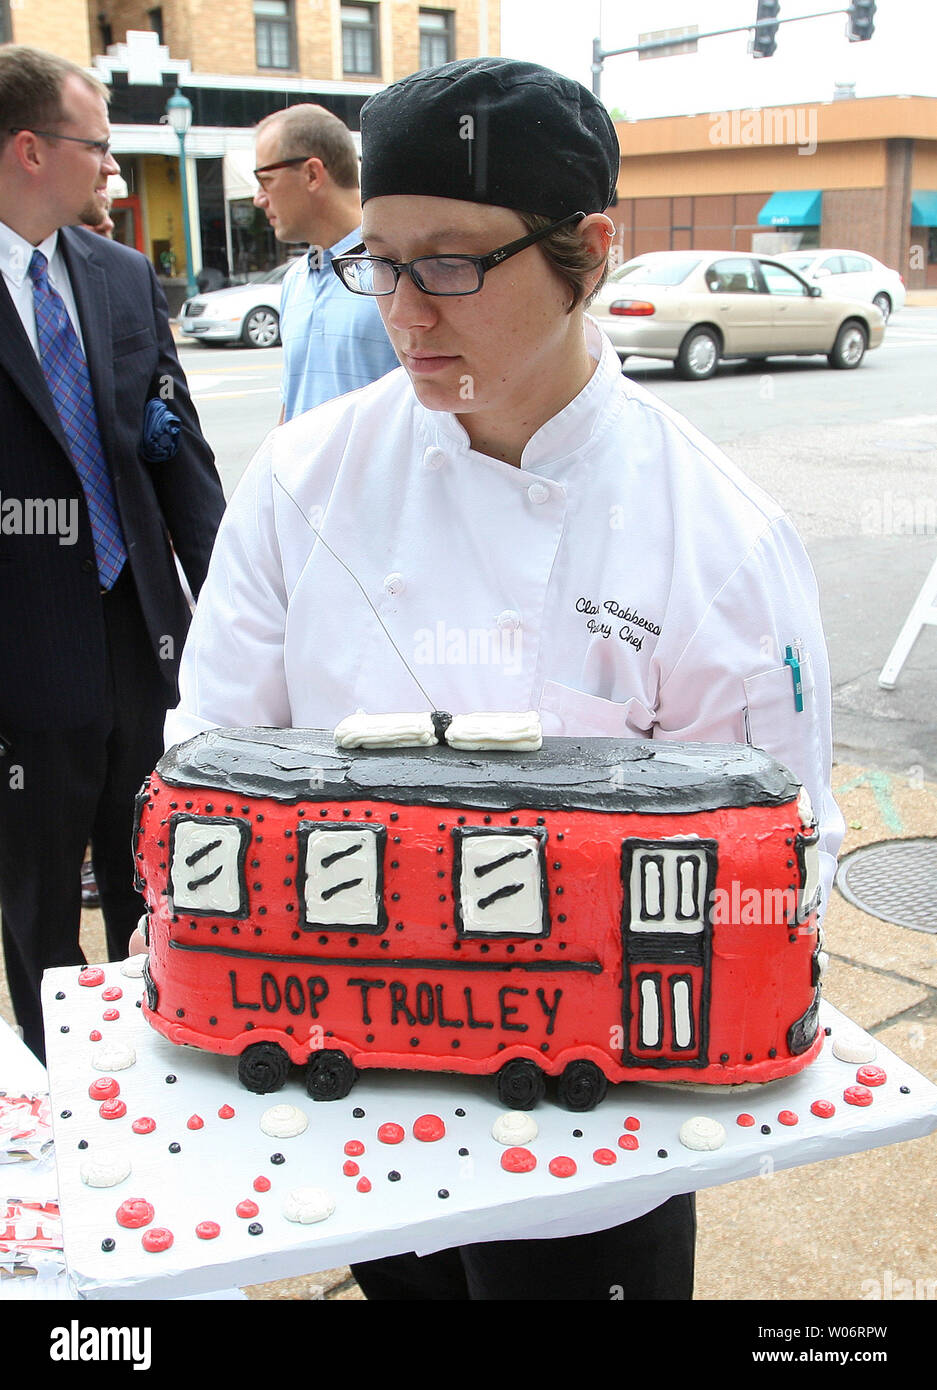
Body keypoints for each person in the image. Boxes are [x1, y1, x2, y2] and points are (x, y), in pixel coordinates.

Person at [164, 57, 844, 1300]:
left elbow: (778, 857)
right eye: (377, 259)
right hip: (355, 1093)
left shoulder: (718, 543)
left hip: (600, 1144)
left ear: (586, 251)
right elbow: (212, 756)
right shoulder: (303, 481)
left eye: (453, 264)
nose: (405, 312)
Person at [0, 46, 225, 1062]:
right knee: (40, 904)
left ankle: (152, 1070)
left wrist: (226, 612)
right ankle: (60, 1096)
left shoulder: (123, 276)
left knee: (153, 884)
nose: (112, 168)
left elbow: (180, 461)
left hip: (138, 638)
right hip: (19, 668)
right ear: (30, 149)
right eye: (98, 145)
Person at [252, 103, 398, 421]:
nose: (258, 198)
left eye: (266, 180)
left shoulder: (398, 271)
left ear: (312, 174)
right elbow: (291, 403)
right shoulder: (296, 279)